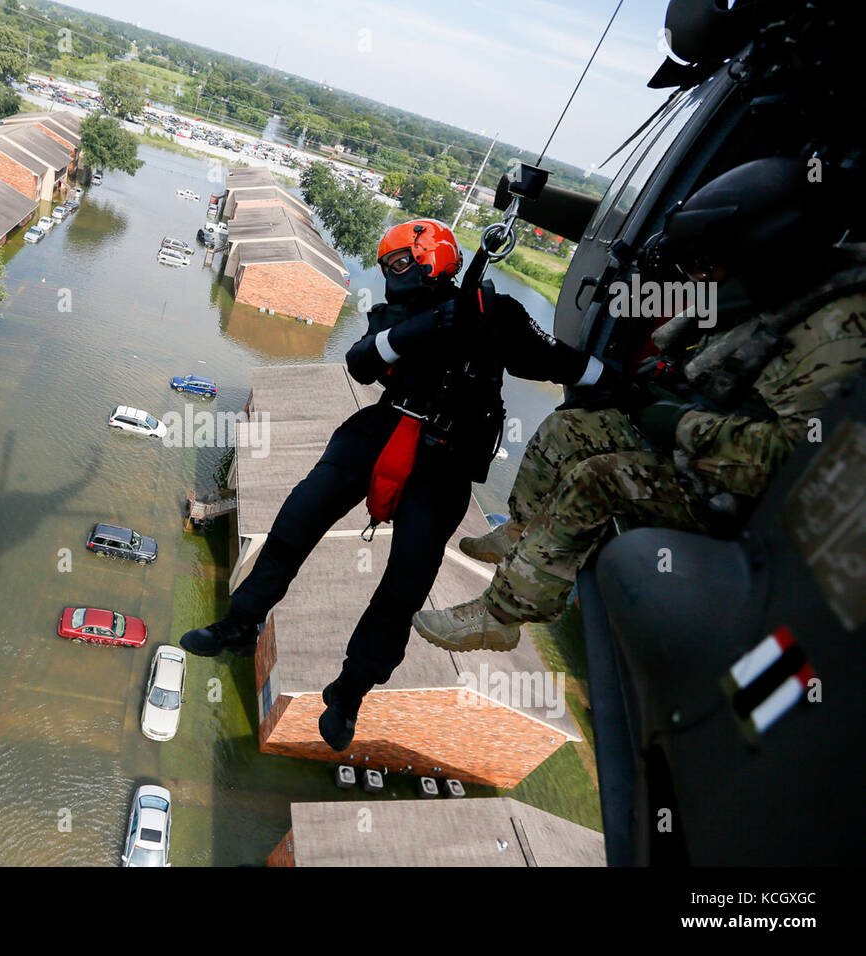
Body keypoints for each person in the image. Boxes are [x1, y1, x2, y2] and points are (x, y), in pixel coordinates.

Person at [180, 218, 602, 750]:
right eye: (387, 267)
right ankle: (240, 624)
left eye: (401, 263)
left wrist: (625, 383)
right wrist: (430, 325)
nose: (392, 275)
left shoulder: (495, 314)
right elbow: (360, 362)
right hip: (385, 428)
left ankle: (350, 692)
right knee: (296, 519)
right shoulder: (397, 315)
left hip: (445, 460)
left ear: (435, 258)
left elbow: (561, 361)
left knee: (405, 584)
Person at [413, 157, 866, 651]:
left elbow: (789, 465)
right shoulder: (788, 294)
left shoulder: (837, 335)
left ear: (762, 257)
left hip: (749, 501)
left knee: (599, 478)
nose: (700, 279)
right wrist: (656, 394)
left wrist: (678, 423)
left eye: (708, 266)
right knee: (572, 426)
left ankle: (501, 617)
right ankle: (519, 533)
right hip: (705, 448)